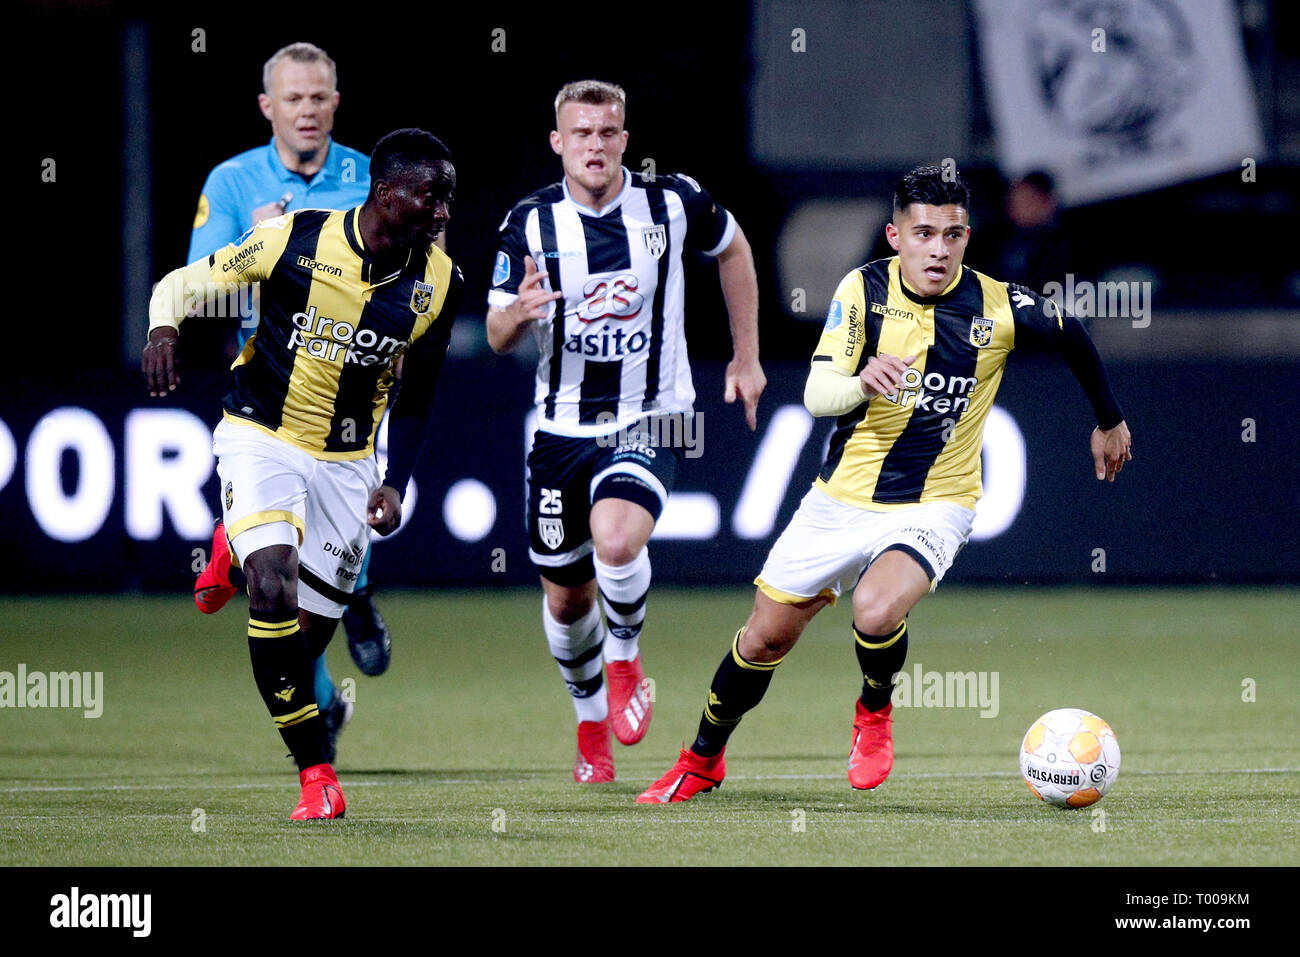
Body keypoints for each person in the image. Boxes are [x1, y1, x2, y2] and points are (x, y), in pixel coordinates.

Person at [636, 164, 1132, 803]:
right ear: (896, 236)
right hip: (841, 498)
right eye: (924, 233)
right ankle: (701, 759)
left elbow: (1068, 329)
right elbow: (818, 394)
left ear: (967, 237)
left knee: (875, 606)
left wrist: (1109, 419)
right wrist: (860, 382)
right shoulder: (862, 292)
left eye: (952, 235)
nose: (939, 249)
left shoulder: (998, 305)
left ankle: (873, 710)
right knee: (765, 636)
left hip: (936, 501)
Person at [144, 129, 462, 819]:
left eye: (449, 199)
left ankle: (235, 541)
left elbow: (420, 394)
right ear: (385, 192)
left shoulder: (439, 283)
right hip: (264, 434)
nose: (442, 212)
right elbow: (190, 282)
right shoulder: (294, 239)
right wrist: (165, 327)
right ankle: (317, 774)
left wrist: (396, 480)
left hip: (349, 464)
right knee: (271, 592)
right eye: (430, 196)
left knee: (305, 642)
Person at [486, 80, 766, 783]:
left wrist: (747, 355)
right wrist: (517, 315)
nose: (595, 145)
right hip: (559, 427)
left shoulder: (671, 202)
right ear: (558, 142)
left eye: (608, 132)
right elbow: (493, 332)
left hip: (654, 411)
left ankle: (624, 657)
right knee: (566, 595)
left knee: (616, 538)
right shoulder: (526, 223)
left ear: (624, 139)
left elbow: (734, 251)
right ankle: (588, 720)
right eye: (581, 133)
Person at [186, 43, 392, 767]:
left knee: (341, 539)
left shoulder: (369, 177)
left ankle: (357, 594)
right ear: (267, 107)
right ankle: (321, 704)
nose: (307, 110)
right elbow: (205, 287)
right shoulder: (234, 181)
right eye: (293, 99)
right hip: (271, 389)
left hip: (357, 383)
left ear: (336, 102)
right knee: (278, 575)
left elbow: (403, 273)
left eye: (319, 97)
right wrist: (261, 239)